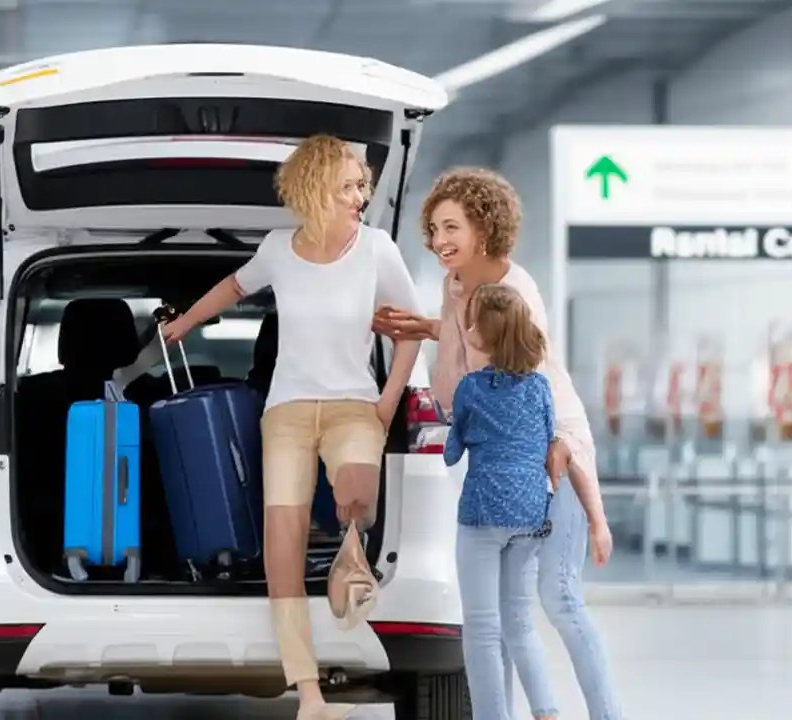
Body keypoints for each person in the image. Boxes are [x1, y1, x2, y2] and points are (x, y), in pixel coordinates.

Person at [161, 134, 423, 720]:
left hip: (355, 406)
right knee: (282, 544)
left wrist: (386, 403)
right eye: (350, 186)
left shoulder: (377, 249)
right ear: (315, 189)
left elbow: (407, 330)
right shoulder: (279, 249)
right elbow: (234, 286)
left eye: (363, 186)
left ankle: (350, 562)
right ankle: (309, 694)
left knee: (357, 495)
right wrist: (184, 324)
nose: (361, 196)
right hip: (286, 413)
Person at [374, 167, 623, 720]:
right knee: (505, 619)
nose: (440, 241)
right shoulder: (456, 285)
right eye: (434, 229)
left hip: (554, 449)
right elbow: (461, 365)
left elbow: (516, 382)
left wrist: (591, 506)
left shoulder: (514, 293)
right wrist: (431, 323)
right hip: (507, 465)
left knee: (558, 599)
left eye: (452, 227)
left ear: (485, 227)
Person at [445, 283, 561, 720]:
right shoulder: (539, 388)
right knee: (520, 622)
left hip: (483, 513)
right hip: (532, 513)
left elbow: (453, 451)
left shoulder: (471, 389)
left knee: (481, 626)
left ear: (484, 336)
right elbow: (547, 438)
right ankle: (547, 712)